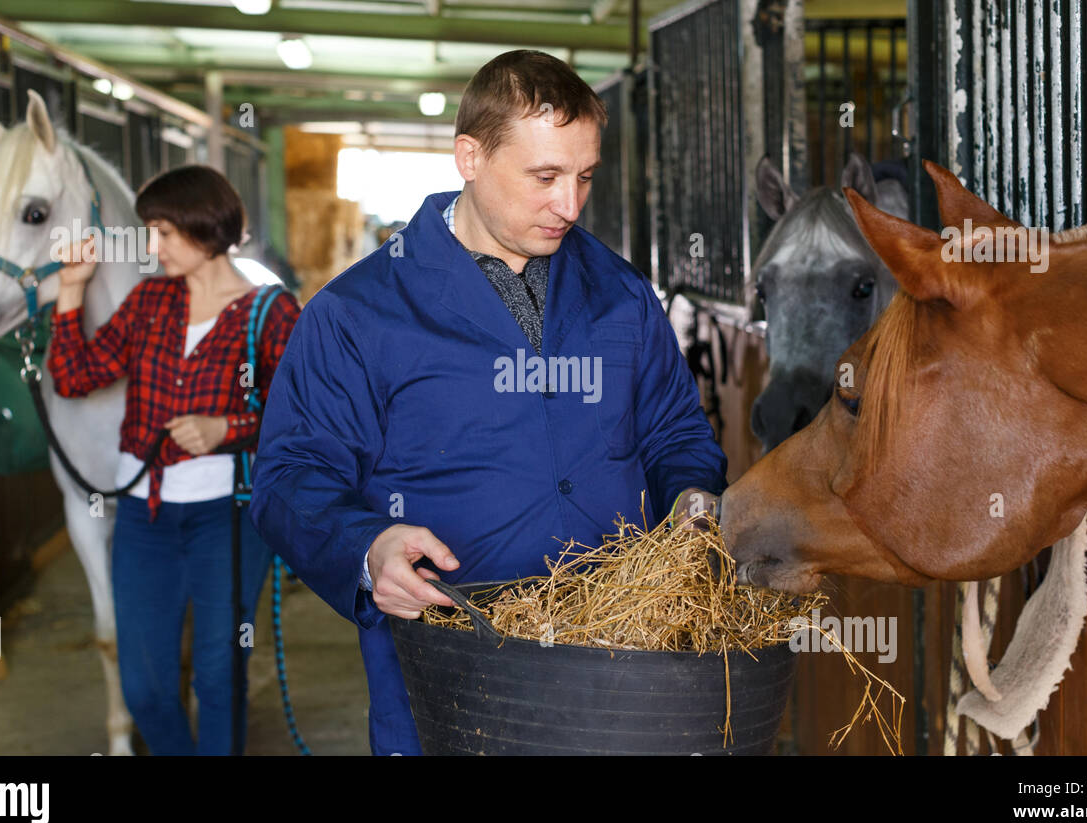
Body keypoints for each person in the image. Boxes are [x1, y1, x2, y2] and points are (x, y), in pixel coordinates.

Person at [249, 50, 726, 755]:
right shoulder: (358, 314)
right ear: (468, 156)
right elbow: (290, 479)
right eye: (545, 177)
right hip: (447, 668)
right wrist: (368, 547)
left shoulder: (621, 294)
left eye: (584, 177)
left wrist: (693, 499)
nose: (569, 204)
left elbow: (674, 431)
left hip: (619, 659)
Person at [48, 165, 300, 755]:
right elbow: (74, 376)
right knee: (145, 689)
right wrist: (70, 289)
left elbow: (301, 423)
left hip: (228, 518)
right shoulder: (149, 300)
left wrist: (227, 428)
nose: (152, 246)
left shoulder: (270, 313)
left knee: (217, 678)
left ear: (203, 226)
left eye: (162, 231)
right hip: (145, 517)